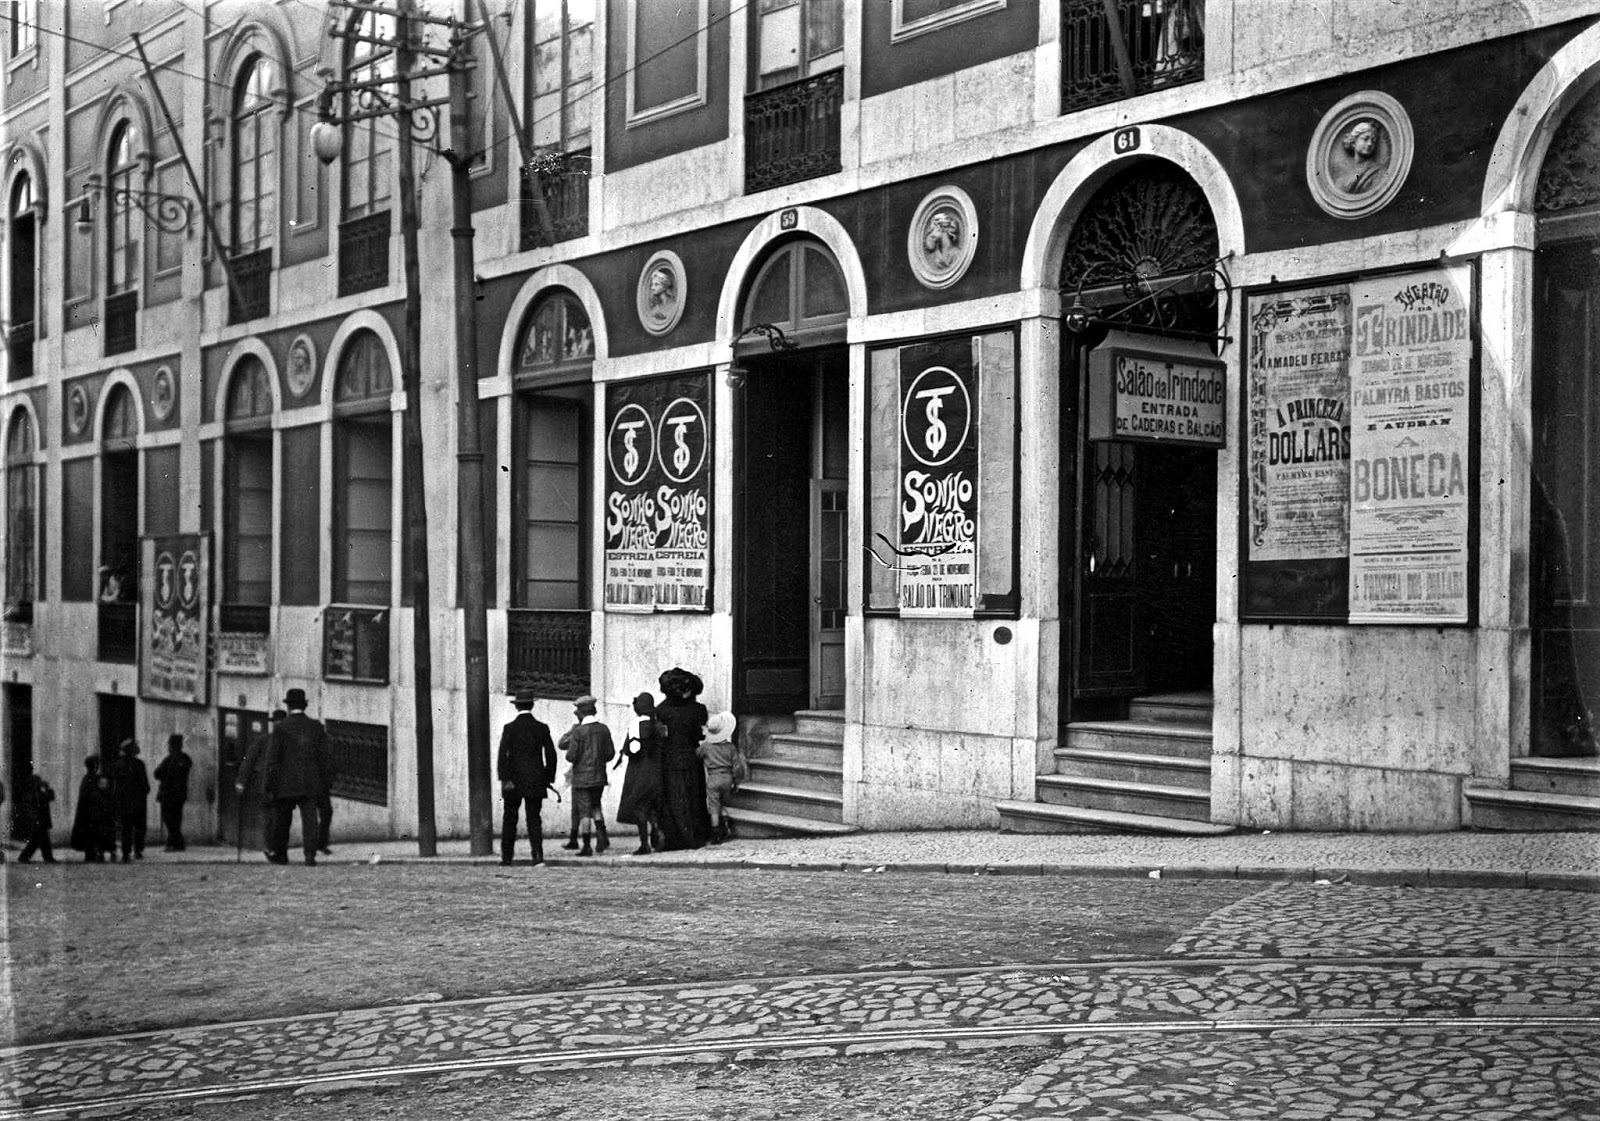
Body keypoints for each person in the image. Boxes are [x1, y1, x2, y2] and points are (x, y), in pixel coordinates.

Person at [265, 688, 332, 866]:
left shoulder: (280, 728)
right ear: (304, 705)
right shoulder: (317, 727)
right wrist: (325, 784)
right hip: (310, 782)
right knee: (310, 820)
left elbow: (273, 760)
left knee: (283, 821)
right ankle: (310, 855)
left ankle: (281, 855)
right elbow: (324, 758)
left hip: (285, 782)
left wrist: (269, 785)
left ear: (288, 707)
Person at [497, 691, 557, 865]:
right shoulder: (542, 727)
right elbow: (551, 756)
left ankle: (506, 858)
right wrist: (547, 778)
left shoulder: (509, 728)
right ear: (532, 705)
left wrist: (505, 779)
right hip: (535, 780)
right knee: (534, 818)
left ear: (516, 706)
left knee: (509, 819)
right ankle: (538, 856)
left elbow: (503, 756)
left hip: (513, 781)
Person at [655, 667, 712, 851]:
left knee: (673, 799)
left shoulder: (661, 711)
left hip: (669, 759)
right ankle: (695, 835)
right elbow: (699, 735)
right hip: (690, 757)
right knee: (694, 796)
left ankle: (676, 836)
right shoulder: (698, 710)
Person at [560, 694, 614, 856]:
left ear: (581, 713)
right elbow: (610, 753)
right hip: (599, 776)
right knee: (596, 806)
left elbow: (570, 756)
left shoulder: (578, 732)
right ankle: (601, 837)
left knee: (584, 812)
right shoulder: (604, 729)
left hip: (582, 778)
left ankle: (586, 845)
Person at [615, 691, 665, 855]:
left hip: (639, 771)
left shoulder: (635, 726)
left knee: (639, 807)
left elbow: (628, 751)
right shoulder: (658, 726)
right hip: (656, 770)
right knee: (651, 805)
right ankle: (656, 827)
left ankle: (644, 844)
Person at [236, 710, 284, 858]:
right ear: (273, 724)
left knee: (279, 820)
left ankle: (275, 848)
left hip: (283, 788)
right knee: (270, 819)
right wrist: (241, 781)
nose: (278, 725)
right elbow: (249, 760)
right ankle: (270, 847)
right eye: (276, 722)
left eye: (281, 722)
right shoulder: (264, 740)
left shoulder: (289, 743)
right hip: (265, 787)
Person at [697, 712, 739, 846]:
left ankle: (715, 834)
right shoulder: (731, 748)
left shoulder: (706, 747)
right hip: (727, 778)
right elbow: (737, 766)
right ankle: (725, 823)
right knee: (723, 803)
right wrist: (736, 782)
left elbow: (697, 755)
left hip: (713, 778)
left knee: (713, 807)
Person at [110, 738, 150, 863]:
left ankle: (126, 853)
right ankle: (138, 850)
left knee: (126, 828)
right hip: (137, 802)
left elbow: (114, 785)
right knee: (139, 827)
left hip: (124, 802)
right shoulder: (139, 764)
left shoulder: (118, 765)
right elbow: (145, 785)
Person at [69, 756, 114, 863]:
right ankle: (95, 853)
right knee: (95, 833)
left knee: (92, 833)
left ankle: (92, 854)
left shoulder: (87, 779)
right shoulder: (94, 779)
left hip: (89, 812)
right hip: (94, 811)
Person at [153, 734, 193, 852]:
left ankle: (176, 842)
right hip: (178, 794)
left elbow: (157, 773)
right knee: (174, 819)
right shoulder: (184, 759)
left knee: (169, 819)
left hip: (169, 794)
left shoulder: (171, 760)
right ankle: (175, 843)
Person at [15, 769, 56, 863]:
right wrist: (47, 788)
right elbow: (49, 797)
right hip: (38, 821)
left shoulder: (36, 793)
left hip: (39, 821)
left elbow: (50, 797)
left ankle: (47, 857)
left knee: (42, 840)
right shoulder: (35, 794)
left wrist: (47, 788)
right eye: (38, 781)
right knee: (36, 841)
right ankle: (24, 857)